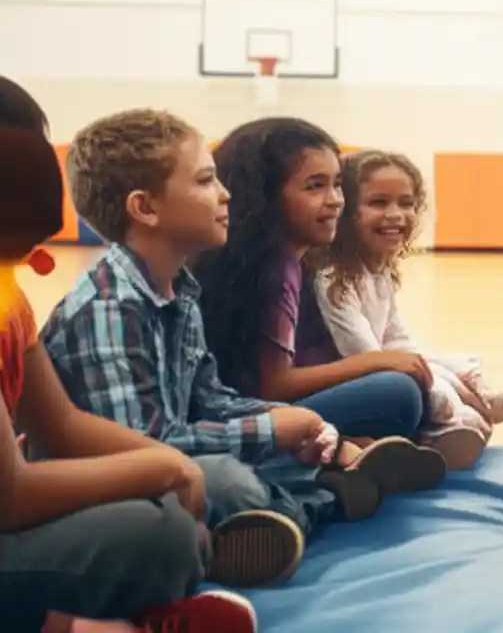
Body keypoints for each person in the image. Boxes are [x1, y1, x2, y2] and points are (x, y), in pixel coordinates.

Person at [41, 108, 428, 588]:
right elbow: (146, 446)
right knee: (229, 481)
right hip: (120, 476)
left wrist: (293, 423)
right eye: (206, 181)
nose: (225, 193)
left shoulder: (177, 290)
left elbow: (211, 396)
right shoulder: (109, 308)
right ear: (146, 208)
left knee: (274, 456)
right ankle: (313, 504)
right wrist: (268, 429)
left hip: (172, 456)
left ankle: (296, 504)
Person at [0, 77, 257, 632]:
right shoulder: (106, 303)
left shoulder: (8, 297)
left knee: (175, 514)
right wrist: (163, 464)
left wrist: (173, 470)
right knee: (162, 535)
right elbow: (12, 496)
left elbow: (63, 425)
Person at [191, 116, 448, 491]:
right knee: (398, 393)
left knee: (405, 389)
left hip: (259, 412)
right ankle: (333, 460)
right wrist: (375, 362)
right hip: (247, 417)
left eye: (338, 185)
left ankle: (347, 454)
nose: (335, 201)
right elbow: (272, 386)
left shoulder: (293, 261)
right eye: (316, 186)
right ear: (266, 194)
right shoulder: (271, 269)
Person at [312, 149, 503, 469]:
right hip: (356, 378)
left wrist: (455, 379)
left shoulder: (378, 272)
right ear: (347, 211)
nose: (396, 214)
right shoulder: (333, 279)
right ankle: (438, 431)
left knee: (440, 364)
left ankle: (472, 397)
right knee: (407, 385)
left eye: (406, 203)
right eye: (379, 203)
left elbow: (399, 339)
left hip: (379, 364)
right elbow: (365, 356)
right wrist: (441, 393)